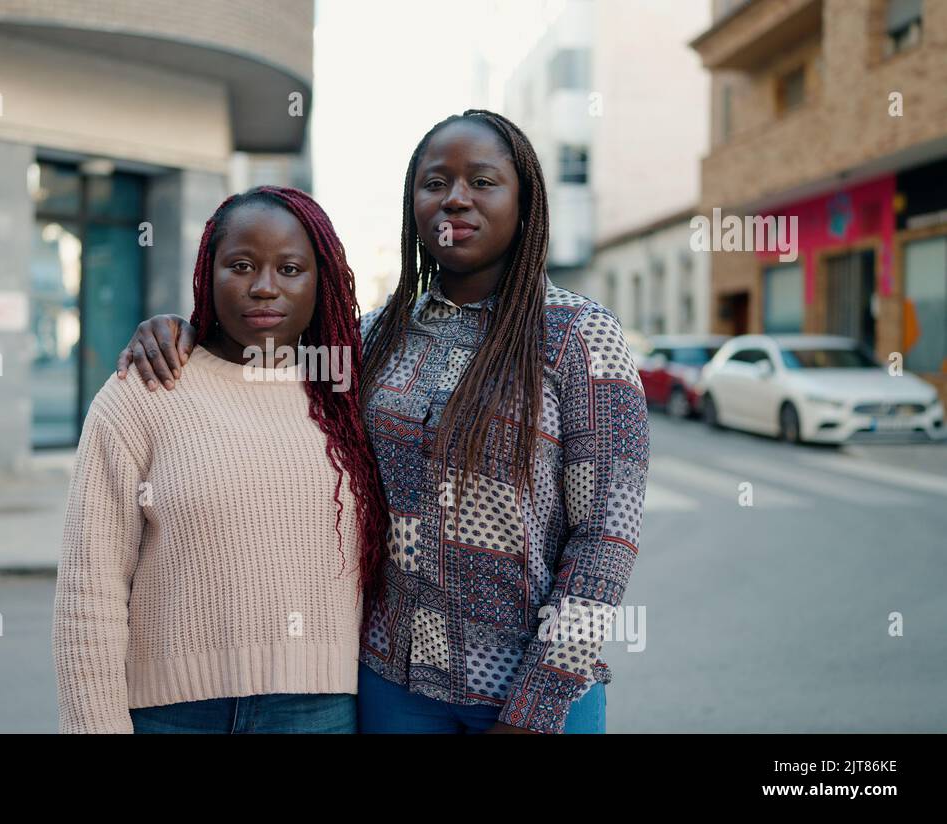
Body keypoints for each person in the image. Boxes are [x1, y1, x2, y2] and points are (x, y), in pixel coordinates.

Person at [117, 110, 650, 734]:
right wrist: (182, 332)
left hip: (532, 695)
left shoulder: (580, 338)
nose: (456, 198)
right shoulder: (373, 336)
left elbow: (605, 542)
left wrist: (536, 709)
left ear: (524, 202)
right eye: (434, 183)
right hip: (391, 687)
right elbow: (262, 360)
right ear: (412, 206)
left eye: (482, 181)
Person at [52, 185, 390, 734]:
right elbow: (90, 586)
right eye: (240, 265)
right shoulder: (145, 389)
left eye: (290, 268)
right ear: (206, 275)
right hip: (171, 715)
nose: (264, 287)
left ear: (320, 282)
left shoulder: (349, 390)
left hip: (318, 712)